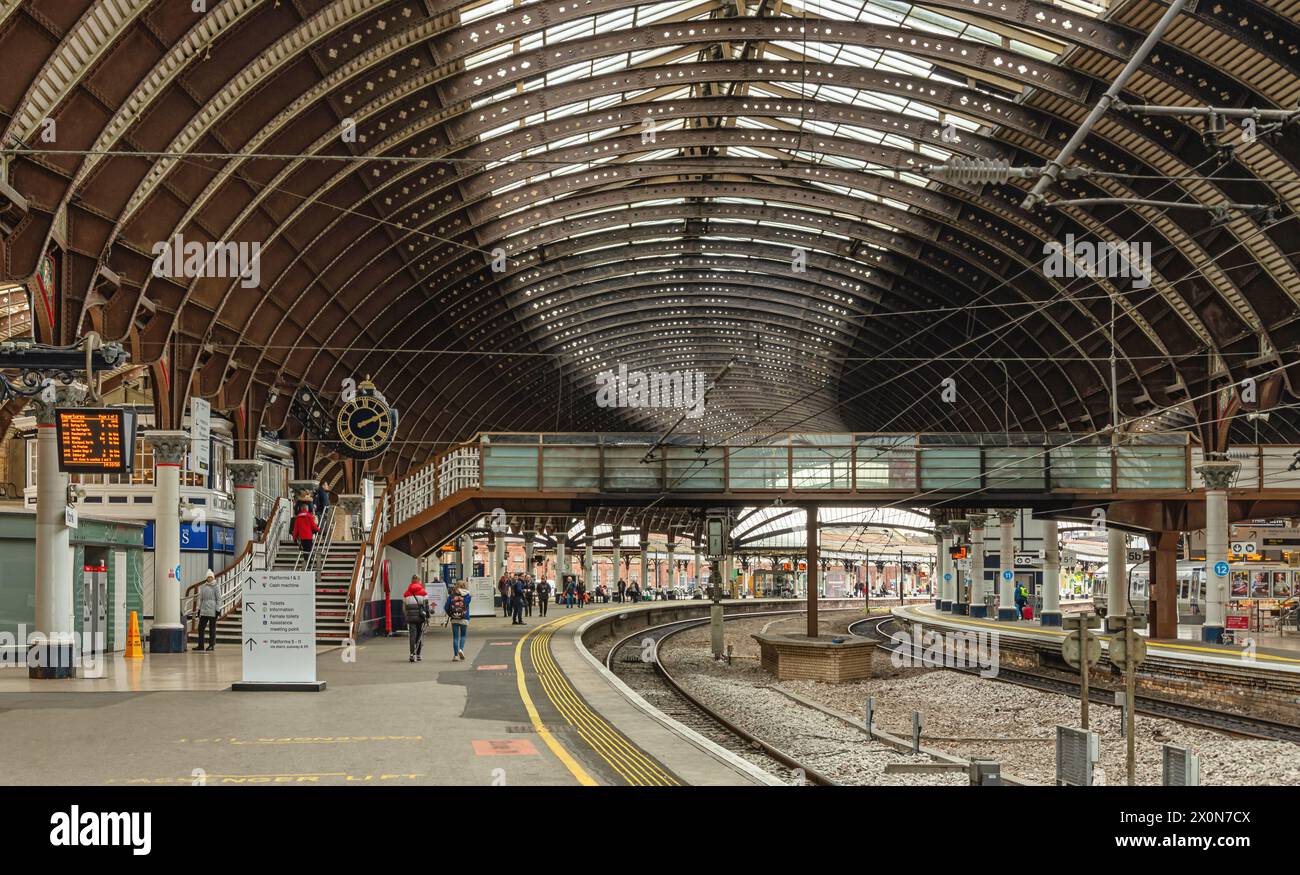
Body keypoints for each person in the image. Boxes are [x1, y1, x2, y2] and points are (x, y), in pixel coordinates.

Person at [402, 575, 430, 662]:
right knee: (419, 635)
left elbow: (404, 607)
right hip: (420, 617)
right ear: (419, 581)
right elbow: (426, 606)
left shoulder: (406, 593)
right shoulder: (423, 593)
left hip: (410, 618)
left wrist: (406, 616)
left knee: (412, 636)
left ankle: (412, 654)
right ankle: (418, 655)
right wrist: (428, 616)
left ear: (412, 581)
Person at [444, 583, 472, 661]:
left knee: (455, 637)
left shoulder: (452, 596)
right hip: (464, 618)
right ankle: (461, 650)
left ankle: (456, 656)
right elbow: (466, 605)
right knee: (463, 636)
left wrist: (450, 615)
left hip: (454, 618)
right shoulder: (467, 596)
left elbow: (446, 607)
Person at [196, 569, 219, 652]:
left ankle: (211, 645)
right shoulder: (203, 587)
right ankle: (200, 645)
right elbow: (201, 599)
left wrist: (217, 610)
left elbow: (218, 599)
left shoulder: (216, 586)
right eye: (208, 577)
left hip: (212, 611)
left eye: (211, 577)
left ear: (213, 578)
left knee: (212, 629)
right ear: (206, 578)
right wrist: (199, 609)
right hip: (204, 610)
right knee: (200, 628)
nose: (209, 578)